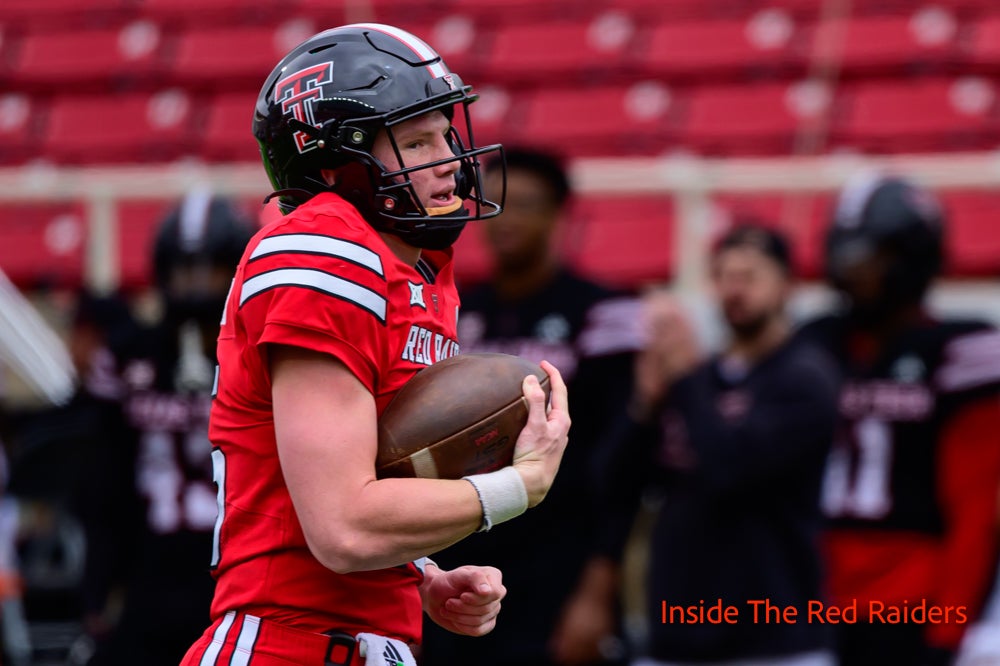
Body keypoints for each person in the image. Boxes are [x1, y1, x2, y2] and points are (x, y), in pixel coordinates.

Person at [180, 23, 571, 666]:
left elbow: (334, 478)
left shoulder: (412, 272)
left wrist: (418, 575)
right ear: (337, 165)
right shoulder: (323, 250)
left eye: (446, 134)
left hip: (358, 641)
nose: (449, 159)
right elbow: (343, 526)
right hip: (288, 641)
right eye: (417, 142)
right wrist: (519, 486)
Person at [421, 148, 640, 666]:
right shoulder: (453, 309)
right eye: (497, 204)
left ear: (558, 214)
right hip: (463, 552)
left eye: (525, 204)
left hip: (562, 556)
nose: (507, 220)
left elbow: (622, 463)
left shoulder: (604, 311)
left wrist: (597, 587)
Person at [607, 224, 841, 665]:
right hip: (678, 633)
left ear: (786, 285)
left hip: (774, 637)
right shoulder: (698, 378)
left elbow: (730, 470)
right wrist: (644, 405)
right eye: (724, 276)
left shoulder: (804, 376)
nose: (734, 290)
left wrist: (685, 378)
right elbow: (614, 482)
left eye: (750, 276)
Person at [797, 173, 1000, 666]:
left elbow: (978, 510)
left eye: (866, 254)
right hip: (812, 598)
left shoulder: (960, 350)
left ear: (911, 258)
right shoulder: (815, 343)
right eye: (843, 252)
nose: (848, 269)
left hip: (911, 598)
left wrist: (948, 628)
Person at [82, 191, 256, 666]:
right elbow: (104, 484)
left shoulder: (262, 357)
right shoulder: (128, 354)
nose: (197, 288)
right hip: (150, 574)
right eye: (184, 271)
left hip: (237, 576)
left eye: (212, 271)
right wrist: (99, 587)